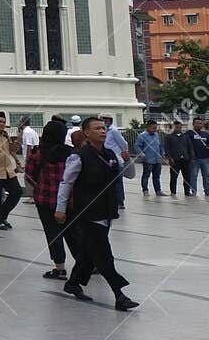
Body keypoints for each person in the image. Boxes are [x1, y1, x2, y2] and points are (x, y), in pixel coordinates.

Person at [56, 116, 139, 311]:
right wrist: (60, 209)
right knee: (103, 254)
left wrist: (128, 159)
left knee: (89, 252)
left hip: (107, 209)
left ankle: (73, 283)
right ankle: (120, 295)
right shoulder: (78, 156)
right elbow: (66, 183)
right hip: (88, 212)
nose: (102, 131)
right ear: (86, 133)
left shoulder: (111, 153)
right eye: (97, 128)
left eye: (104, 128)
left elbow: (129, 174)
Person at [23, 118, 72, 282]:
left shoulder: (38, 154)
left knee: (53, 233)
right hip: (68, 200)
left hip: (45, 199)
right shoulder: (70, 153)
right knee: (74, 232)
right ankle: (86, 263)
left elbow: (29, 175)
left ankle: (60, 269)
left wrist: (40, 184)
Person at [133, 120, 164, 196]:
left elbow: (159, 145)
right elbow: (137, 146)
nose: (155, 129)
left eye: (156, 128)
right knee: (146, 175)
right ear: (148, 127)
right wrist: (142, 154)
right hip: (148, 159)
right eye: (153, 128)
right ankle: (145, 190)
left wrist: (162, 152)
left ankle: (158, 191)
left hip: (157, 159)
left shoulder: (156, 135)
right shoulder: (142, 136)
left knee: (156, 176)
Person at [163, 119, 193, 196]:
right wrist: (169, 157)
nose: (178, 129)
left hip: (185, 159)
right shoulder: (169, 137)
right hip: (175, 160)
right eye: (176, 127)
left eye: (179, 127)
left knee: (187, 177)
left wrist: (191, 157)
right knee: (173, 176)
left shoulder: (185, 136)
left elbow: (189, 147)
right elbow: (167, 148)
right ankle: (173, 192)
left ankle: (187, 192)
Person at [186, 117, 209, 197]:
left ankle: (207, 191)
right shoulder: (189, 133)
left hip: (204, 158)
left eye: (200, 123)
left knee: (206, 175)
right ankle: (193, 191)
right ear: (193, 124)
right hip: (194, 159)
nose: (199, 125)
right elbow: (186, 144)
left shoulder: (205, 134)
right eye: (197, 123)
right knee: (193, 175)